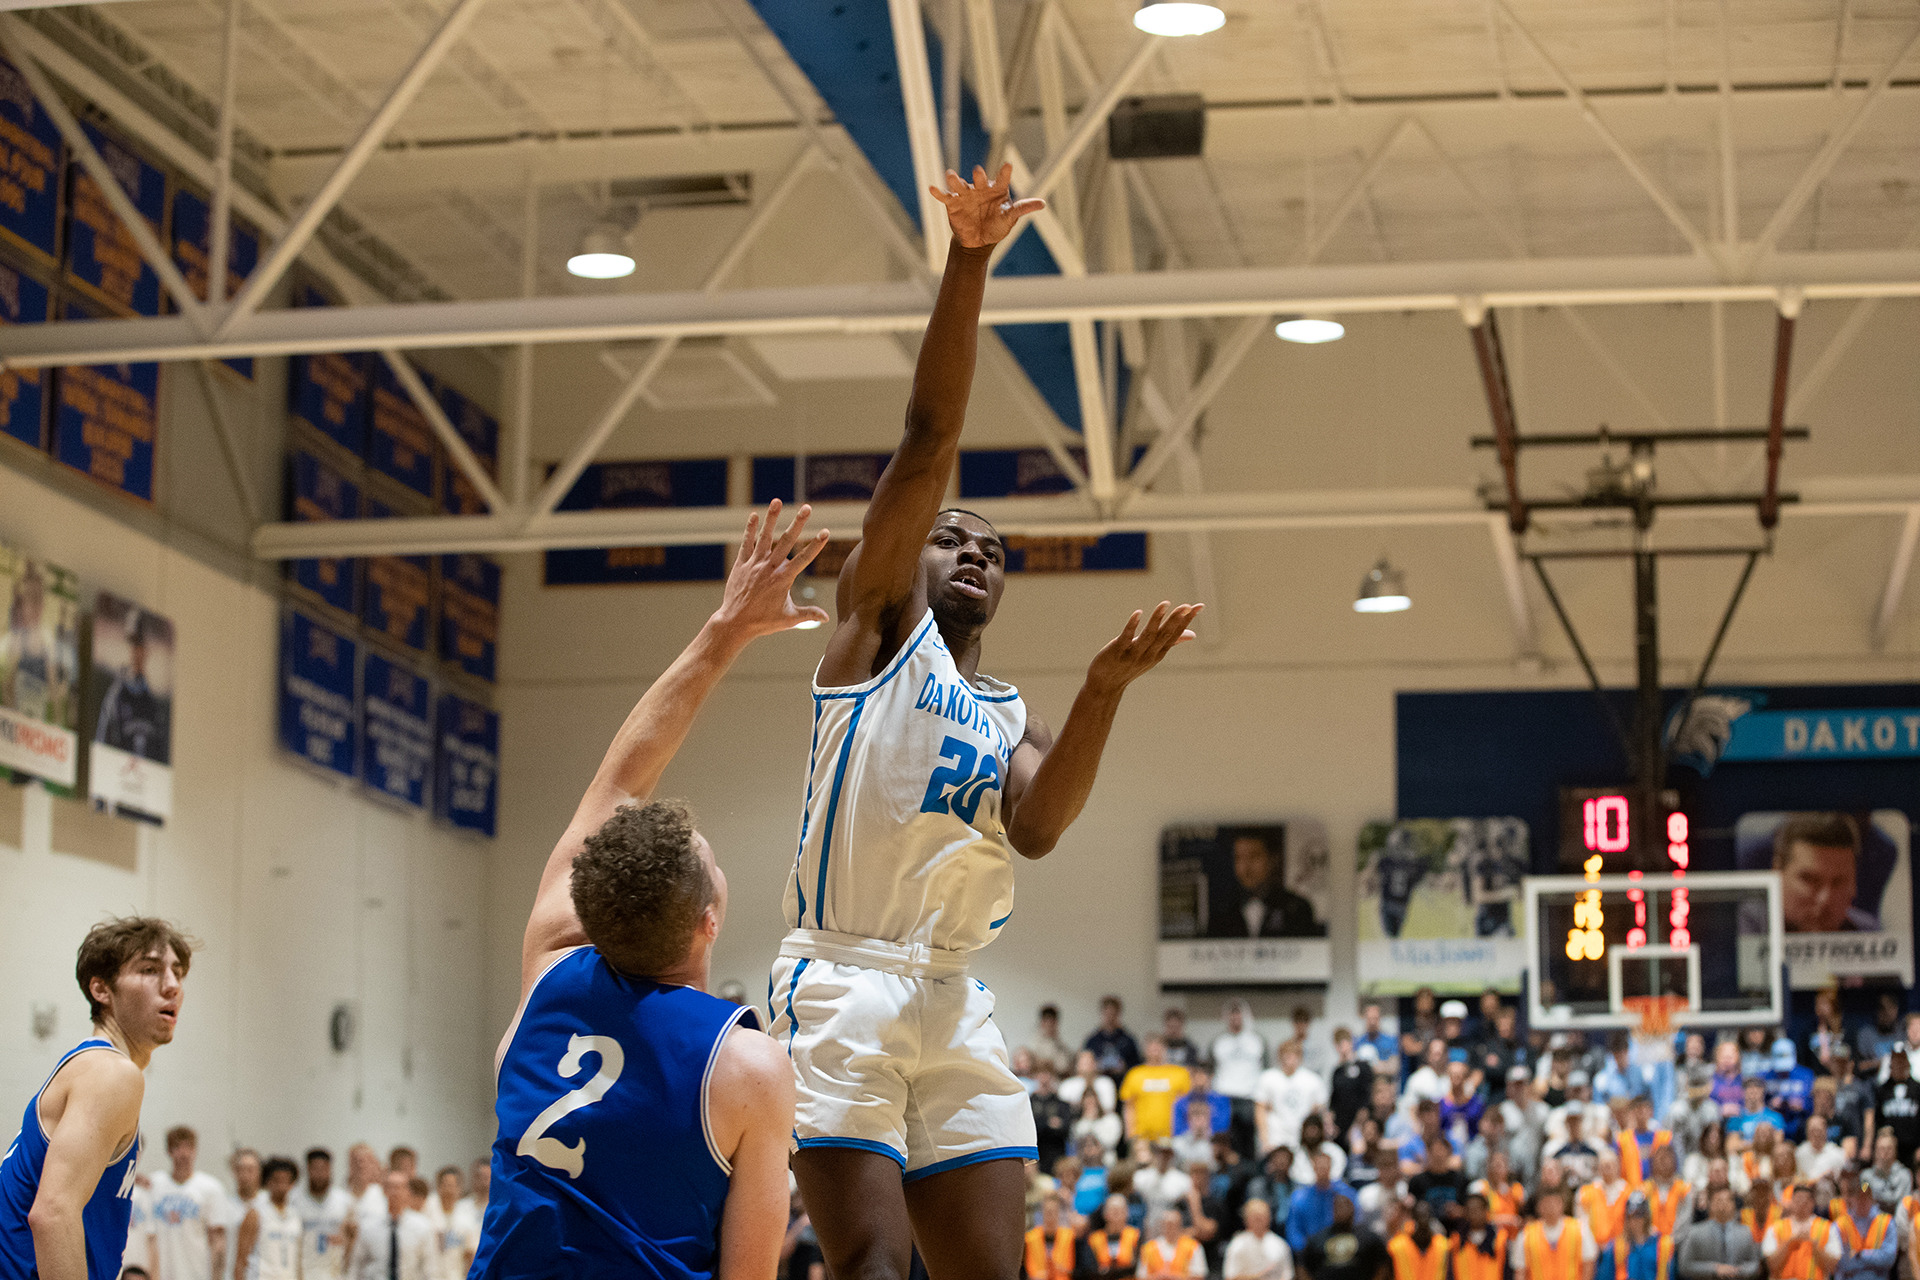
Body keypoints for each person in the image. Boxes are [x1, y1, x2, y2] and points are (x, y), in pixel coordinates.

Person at [471, 503, 818, 1280]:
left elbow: (624, 775)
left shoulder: (552, 968)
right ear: (707, 921)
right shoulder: (750, 1069)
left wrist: (726, 628)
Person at [0, 919, 190, 1280]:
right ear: (102, 990)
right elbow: (53, 1213)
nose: (172, 985)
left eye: (177, 972)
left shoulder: (90, 1066)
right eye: (150, 970)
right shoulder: (112, 1073)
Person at [150, 1129, 231, 1280]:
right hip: (161, 1273)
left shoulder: (211, 1188)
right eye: (177, 1147)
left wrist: (217, 1276)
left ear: (195, 1150)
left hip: (196, 1273)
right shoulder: (154, 1184)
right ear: (169, 1151)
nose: (184, 1153)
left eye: (188, 1147)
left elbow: (218, 1241)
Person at [1213, 830, 1323, 939]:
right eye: (1238, 858)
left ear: (1273, 860)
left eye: (1253, 857)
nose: (1245, 868)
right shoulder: (1222, 911)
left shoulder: (1296, 908)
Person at [1772, 814, 1870, 934]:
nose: (1825, 899)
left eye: (1838, 882)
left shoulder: (1870, 934)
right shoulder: (1745, 931)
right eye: (1810, 880)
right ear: (1776, 876)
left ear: (1854, 884)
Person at [347, 1174, 431, 1280]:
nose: (395, 1192)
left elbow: (429, 1268)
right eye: (391, 1187)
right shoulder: (368, 1227)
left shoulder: (422, 1227)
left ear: (408, 1192)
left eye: (400, 1187)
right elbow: (356, 1267)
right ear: (384, 1191)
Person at [289, 1148, 352, 1280]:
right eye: (315, 1169)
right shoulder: (293, 1200)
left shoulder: (344, 1200)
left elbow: (350, 1238)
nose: (320, 1174)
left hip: (334, 1271)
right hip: (303, 1271)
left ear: (330, 1170)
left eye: (324, 1169)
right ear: (308, 1169)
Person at [231, 1159, 300, 1280]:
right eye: (277, 1180)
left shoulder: (295, 1216)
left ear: (291, 1184)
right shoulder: (256, 1213)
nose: (281, 1186)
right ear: (268, 1182)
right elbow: (241, 1260)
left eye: (286, 1181)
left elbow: (298, 1260)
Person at [1678, 1185, 1762, 1280]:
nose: (1723, 1204)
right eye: (1718, 1200)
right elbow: (1684, 1266)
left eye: (1727, 1200)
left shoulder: (1745, 1233)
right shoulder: (1695, 1232)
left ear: (1734, 1205)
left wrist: (1738, 1270)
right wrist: (1714, 1269)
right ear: (1711, 1205)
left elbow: (1755, 1265)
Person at [1257, 1044, 1328, 1156]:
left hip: (1302, 1139)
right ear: (1279, 1057)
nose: (1289, 1059)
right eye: (1286, 1055)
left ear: (1300, 1057)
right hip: (1276, 1137)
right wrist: (1264, 1140)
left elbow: (1318, 1112)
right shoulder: (1268, 1078)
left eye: (1293, 1055)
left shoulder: (1313, 1080)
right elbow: (1260, 1110)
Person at [1299, 1190, 1386, 1280]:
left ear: (1353, 1209)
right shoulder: (1318, 1239)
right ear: (1333, 1211)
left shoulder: (1368, 1237)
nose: (1342, 1210)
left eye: (1345, 1206)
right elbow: (1302, 1266)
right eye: (1338, 1207)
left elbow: (1383, 1265)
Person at [1760, 1184, 1837, 1279]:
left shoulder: (1827, 1227)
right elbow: (1771, 1264)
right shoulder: (1775, 1228)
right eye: (1798, 1199)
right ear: (1792, 1202)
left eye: (1805, 1200)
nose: (1802, 1203)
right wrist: (1789, 1241)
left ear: (1812, 1202)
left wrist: (1814, 1245)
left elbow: (1833, 1266)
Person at [1122, 1041, 1193, 1145]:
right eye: (1152, 1049)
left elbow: (1187, 1105)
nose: (1155, 1052)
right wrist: (1130, 1134)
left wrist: (1184, 1132)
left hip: (1173, 1135)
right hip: (1142, 1136)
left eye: (1158, 1048)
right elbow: (1128, 1107)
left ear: (1165, 1050)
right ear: (1145, 1051)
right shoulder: (1134, 1074)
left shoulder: (1180, 1073)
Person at [1830, 1168, 1895, 1280]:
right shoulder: (1840, 1225)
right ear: (1852, 1199)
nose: (1862, 1201)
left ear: (1872, 1198)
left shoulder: (1886, 1222)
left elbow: (1889, 1258)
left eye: (1866, 1197)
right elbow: (1842, 1263)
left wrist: (1860, 1255)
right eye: (1859, 1197)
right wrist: (1874, 1259)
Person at [1287, 1152, 1356, 1256]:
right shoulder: (1299, 1198)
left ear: (1330, 1167)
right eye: (1319, 1166)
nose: (1322, 1169)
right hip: (1312, 1252)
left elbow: (1356, 1222)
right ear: (1313, 1167)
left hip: (1342, 1249)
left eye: (1325, 1166)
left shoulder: (1346, 1194)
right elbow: (1294, 1230)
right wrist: (1307, 1251)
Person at [1594, 1193, 1674, 1280]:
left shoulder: (1661, 1245)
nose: (1636, 1220)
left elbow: (1670, 1275)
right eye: (1631, 1216)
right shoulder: (1616, 1247)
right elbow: (1604, 1276)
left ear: (1647, 1217)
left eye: (1640, 1215)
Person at [1223, 1200, 1293, 1280]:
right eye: (1256, 1217)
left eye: (1262, 1216)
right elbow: (1230, 1276)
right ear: (1246, 1219)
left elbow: (1288, 1274)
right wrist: (1258, 1277)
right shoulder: (1237, 1244)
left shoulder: (1280, 1244)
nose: (1259, 1221)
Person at [1075, 1195, 1138, 1280]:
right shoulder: (1094, 1238)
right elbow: (1090, 1270)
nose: (1117, 1215)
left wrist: (1107, 1271)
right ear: (1105, 1213)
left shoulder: (1136, 1236)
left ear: (1127, 1213)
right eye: (1113, 1211)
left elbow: (1135, 1268)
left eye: (1120, 1211)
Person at [1406, 1143, 1468, 1229]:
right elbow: (1410, 1209)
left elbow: (1469, 1210)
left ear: (1449, 1154)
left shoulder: (1461, 1180)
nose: (1438, 1155)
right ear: (1428, 1154)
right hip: (1426, 1231)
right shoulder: (1416, 1181)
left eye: (1441, 1151)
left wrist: (1459, 1211)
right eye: (1434, 1152)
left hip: (1456, 1230)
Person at [1873, 1054, 1920, 1165]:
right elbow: (1877, 1120)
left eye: (1901, 1062)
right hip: (1889, 1148)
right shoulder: (1882, 1090)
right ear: (1890, 1066)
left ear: (1908, 1064)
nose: (1898, 1066)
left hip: (1913, 1147)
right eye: (1895, 1063)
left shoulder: (1917, 1089)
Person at [1580, 1153, 1632, 1254]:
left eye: (1610, 1165)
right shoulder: (1588, 1191)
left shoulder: (1628, 1192)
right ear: (1599, 1168)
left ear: (1617, 1166)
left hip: (1621, 1249)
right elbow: (1583, 1222)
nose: (1607, 1168)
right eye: (1604, 1165)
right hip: (1595, 1248)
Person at [1642, 1146, 1693, 1243]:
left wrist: (1671, 1239)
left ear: (1674, 1161)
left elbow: (1685, 1218)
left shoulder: (1683, 1188)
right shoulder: (1644, 1189)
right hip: (1650, 1243)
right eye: (1659, 1158)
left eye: (1667, 1157)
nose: (1663, 1161)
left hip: (1678, 1243)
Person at [1140, 1209, 1207, 1280]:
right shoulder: (1149, 1247)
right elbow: (1141, 1276)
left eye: (1174, 1225)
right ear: (1162, 1225)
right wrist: (1158, 1277)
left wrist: (1175, 1277)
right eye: (1167, 1225)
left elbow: (1200, 1275)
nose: (1170, 1228)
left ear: (1180, 1225)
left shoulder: (1193, 1246)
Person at [1387, 1204, 1449, 1280]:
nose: (1422, 1222)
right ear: (1412, 1221)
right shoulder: (1396, 1245)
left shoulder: (1443, 1246)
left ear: (1431, 1221)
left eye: (1425, 1217)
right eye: (1419, 1218)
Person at [1453, 1194, 1507, 1280]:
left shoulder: (1500, 1238)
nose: (1474, 1213)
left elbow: (1508, 1273)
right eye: (1470, 1210)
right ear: (1465, 1213)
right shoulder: (1457, 1240)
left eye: (1477, 1209)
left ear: (1486, 1211)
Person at [1023, 1194, 1076, 1280]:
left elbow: (1078, 1269)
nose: (1050, 1216)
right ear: (1042, 1213)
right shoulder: (1030, 1238)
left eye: (1053, 1212)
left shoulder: (1070, 1236)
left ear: (1058, 1213)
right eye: (1048, 1212)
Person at [1034, 1067, 1076, 1174]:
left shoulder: (1062, 1104)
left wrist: (1040, 1123)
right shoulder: (1029, 1102)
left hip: (1057, 1157)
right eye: (1041, 1074)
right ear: (1035, 1076)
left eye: (1047, 1074)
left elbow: (1066, 1129)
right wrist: (1049, 1123)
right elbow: (1029, 1128)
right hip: (1035, 1158)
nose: (1044, 1079)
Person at [1029, 1006, 1073, 1078]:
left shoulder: (1060, 1043)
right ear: (1042, 1023)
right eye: (1047, 1022)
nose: (1050, 1026)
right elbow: (1035, 1064)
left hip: (1058, 1079)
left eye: (1053, 1022)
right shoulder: (1035, 1042)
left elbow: (1065, 1066)